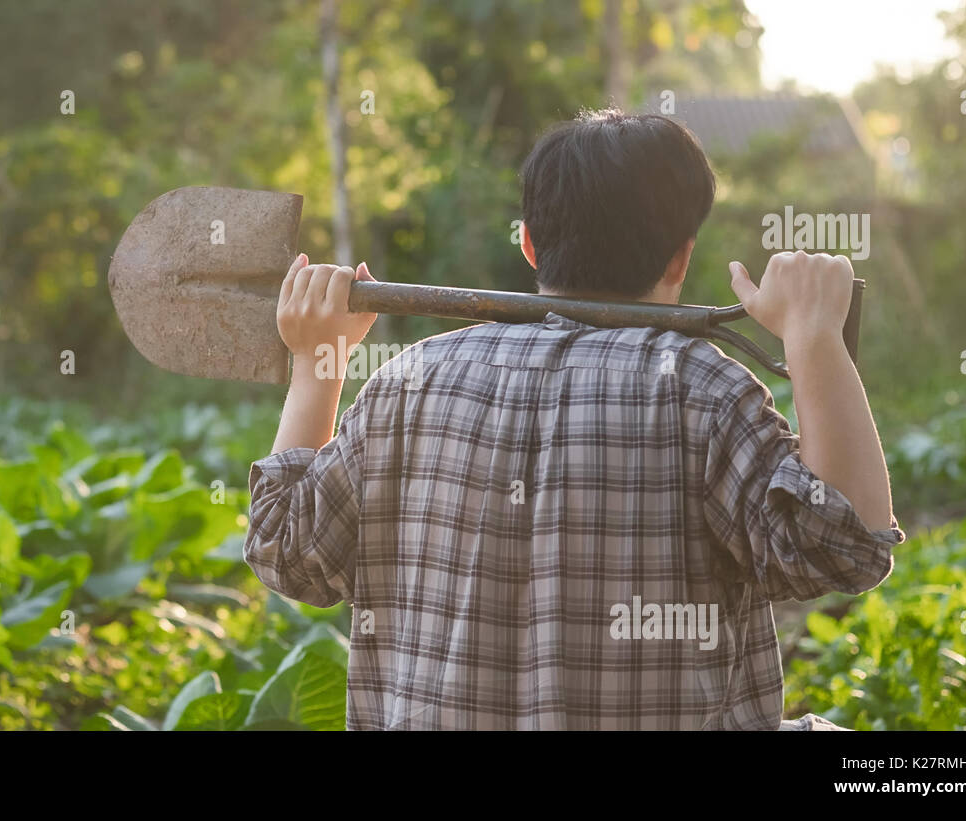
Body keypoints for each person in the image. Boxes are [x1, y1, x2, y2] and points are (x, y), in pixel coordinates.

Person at [243, 109, 904, 730]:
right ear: (682, 256)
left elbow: (286, 550)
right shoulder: (705, 389)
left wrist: (315, 361)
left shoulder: (405, 382)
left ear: (530, 245)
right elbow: (845, 548)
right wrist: (814, 339)